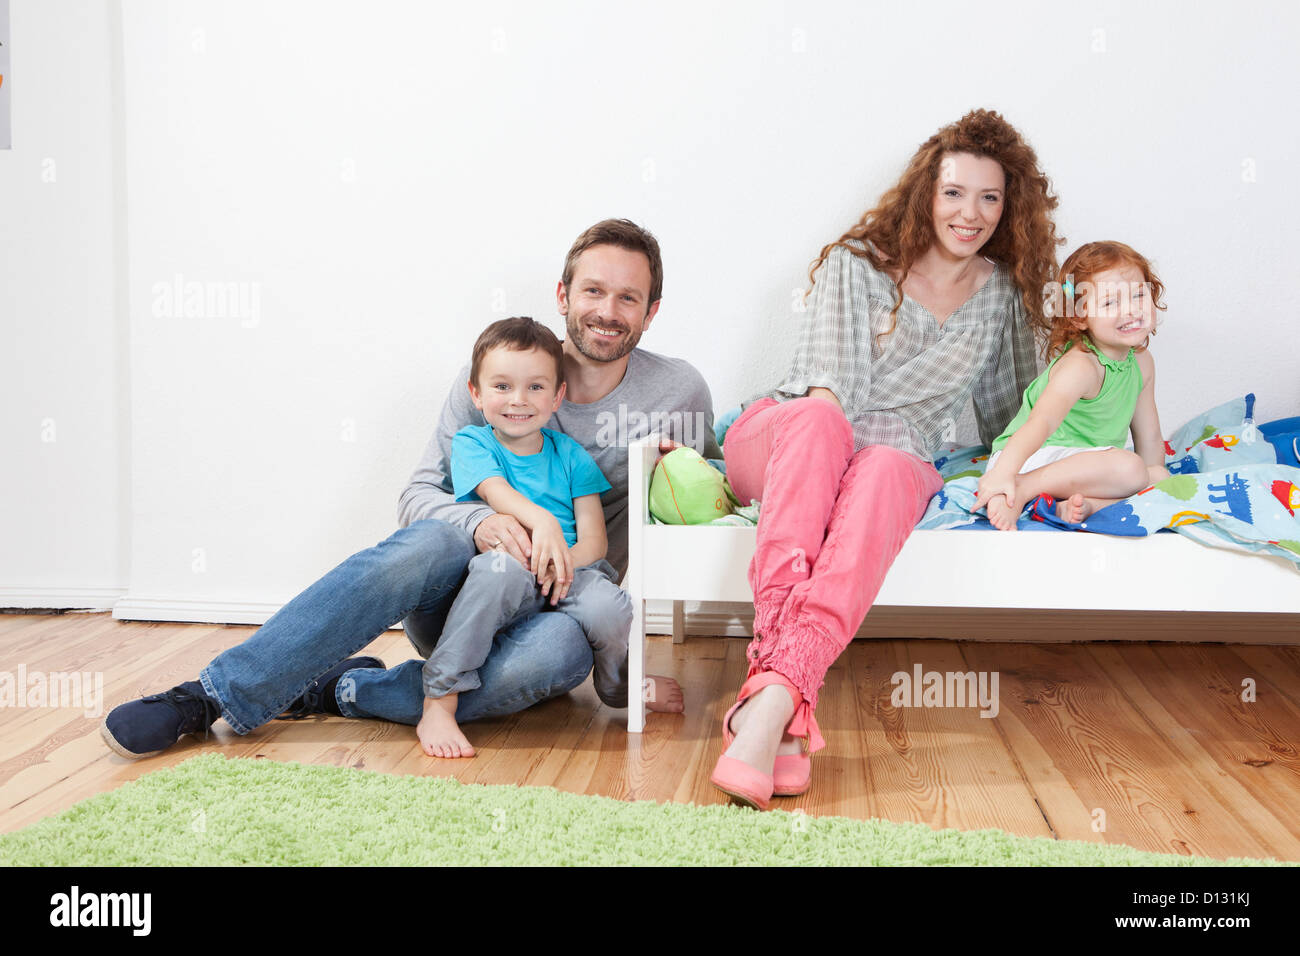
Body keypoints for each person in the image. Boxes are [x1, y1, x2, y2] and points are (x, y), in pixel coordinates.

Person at [101, 218, 706, 760]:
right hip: (465, 590)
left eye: (628, 297)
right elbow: (416, 498)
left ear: (650, 311)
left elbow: (707, 503)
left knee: (553, 661)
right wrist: (481, 523)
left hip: (559, 606)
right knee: (428, 544)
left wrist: (692, 474)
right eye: (594, 291)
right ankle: (208, 697)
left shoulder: (678, 394)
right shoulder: (498, 376)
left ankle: (343, 686)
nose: (607, 310)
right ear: (563, 295)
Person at [710, 109, 1062, 810]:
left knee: (898, 468)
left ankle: (775, 702)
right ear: (926, 193)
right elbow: (831, 393)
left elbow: (1013, 414)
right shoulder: (857, 265)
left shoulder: (1001, 298)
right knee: (822, 420)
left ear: (1009, 206)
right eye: (956, 192)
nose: (971, 213)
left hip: (890, 458)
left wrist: (1052, 472)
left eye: (990, 198)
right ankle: (780, 686)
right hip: (790, 440)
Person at [418, 316, 681, 758]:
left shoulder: (572, 456)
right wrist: (541, 523)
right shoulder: (473, 443)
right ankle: (440, 699)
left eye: (535, 388)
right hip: (509, 569)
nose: (518, 400)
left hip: (570, 572)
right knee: (494, 572)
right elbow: (494, 492)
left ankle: (619, 686)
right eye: (502, 387)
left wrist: (561, 565)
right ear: (475, 393)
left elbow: (596, 542)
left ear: (557, 395)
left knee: (610, 605)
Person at [974, 242, 1169, 528]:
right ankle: (1022, 488)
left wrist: (1154, 479)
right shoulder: (1081, 366)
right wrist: (1004, 471)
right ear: (1079, 316)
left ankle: (1089, 505)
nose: (1130, 310)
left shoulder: (1142, 362)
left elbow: (1149, 435)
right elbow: (1040, 423)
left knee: (1157, 475)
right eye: (1110, 302)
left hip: (1086, 468)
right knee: (1131, 469)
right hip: (1029, 457)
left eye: (1138, 295)